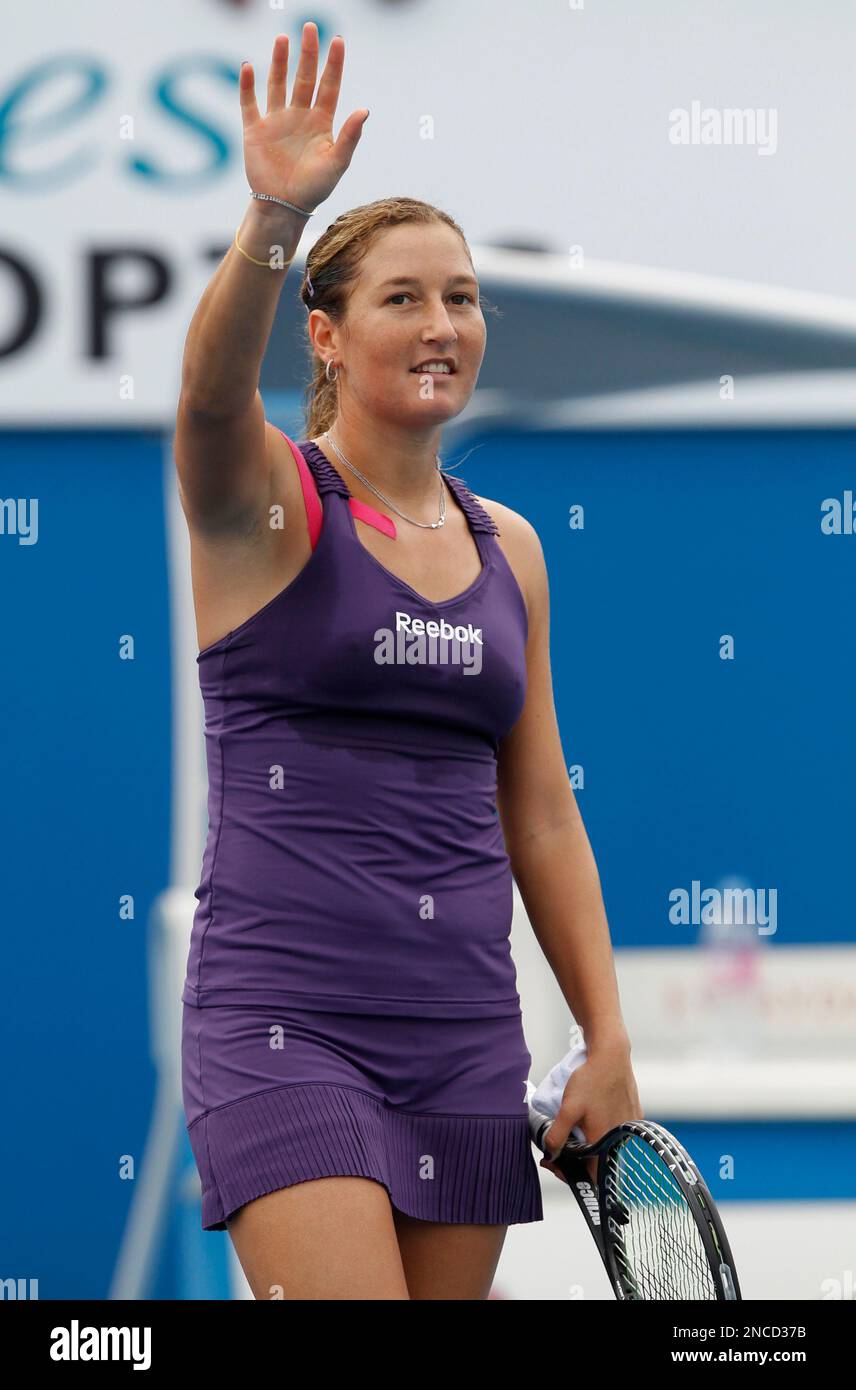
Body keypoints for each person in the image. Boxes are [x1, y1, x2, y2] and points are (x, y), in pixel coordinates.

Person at [175, 21, 642, 1301]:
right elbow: (211, 402)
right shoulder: (269, 505)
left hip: (460, 1039)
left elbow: (540, 809)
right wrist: (276, 216)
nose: (442, 323)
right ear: (321, 334)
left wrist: (604, 1033)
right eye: (401, 297)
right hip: (284, 1024)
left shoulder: (514, 551)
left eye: (462, 296)